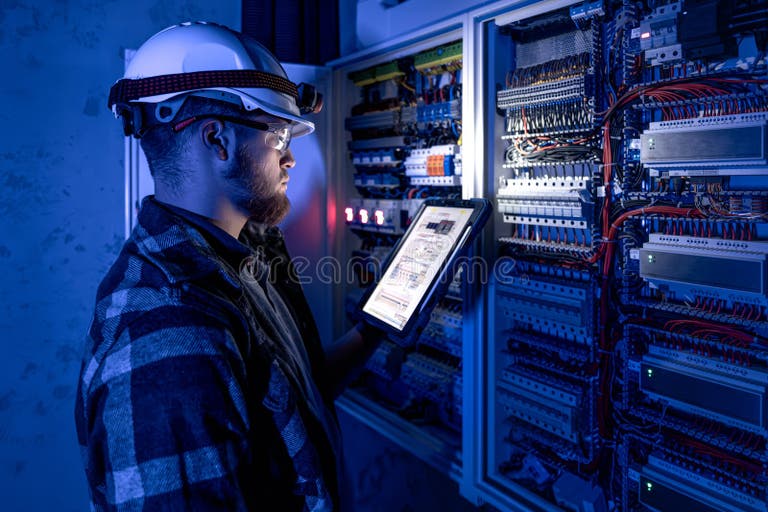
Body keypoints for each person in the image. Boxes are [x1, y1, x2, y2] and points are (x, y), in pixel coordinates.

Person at [75, 21, 382, 511]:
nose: (290, 160)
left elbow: (295, 396)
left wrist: (376, 330)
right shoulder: (171, 331)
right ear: (218, 140)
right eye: (279, 135)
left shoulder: (241, 256)